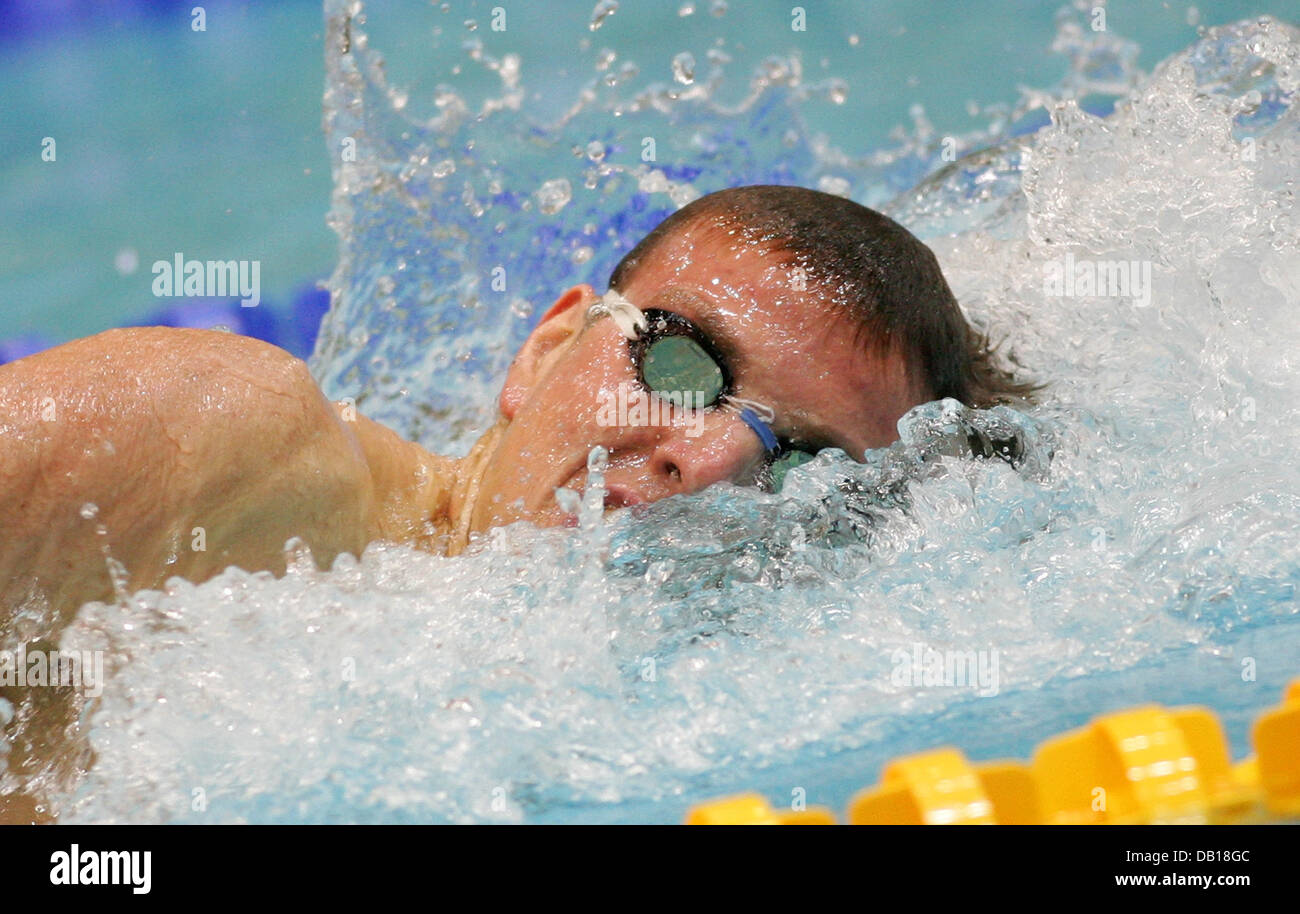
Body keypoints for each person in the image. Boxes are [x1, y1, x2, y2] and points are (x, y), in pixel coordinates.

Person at [0, 184, 1040, 626]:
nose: (713, 459)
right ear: (545, 349)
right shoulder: (237, 440)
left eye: (807, 463)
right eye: (686, 367)